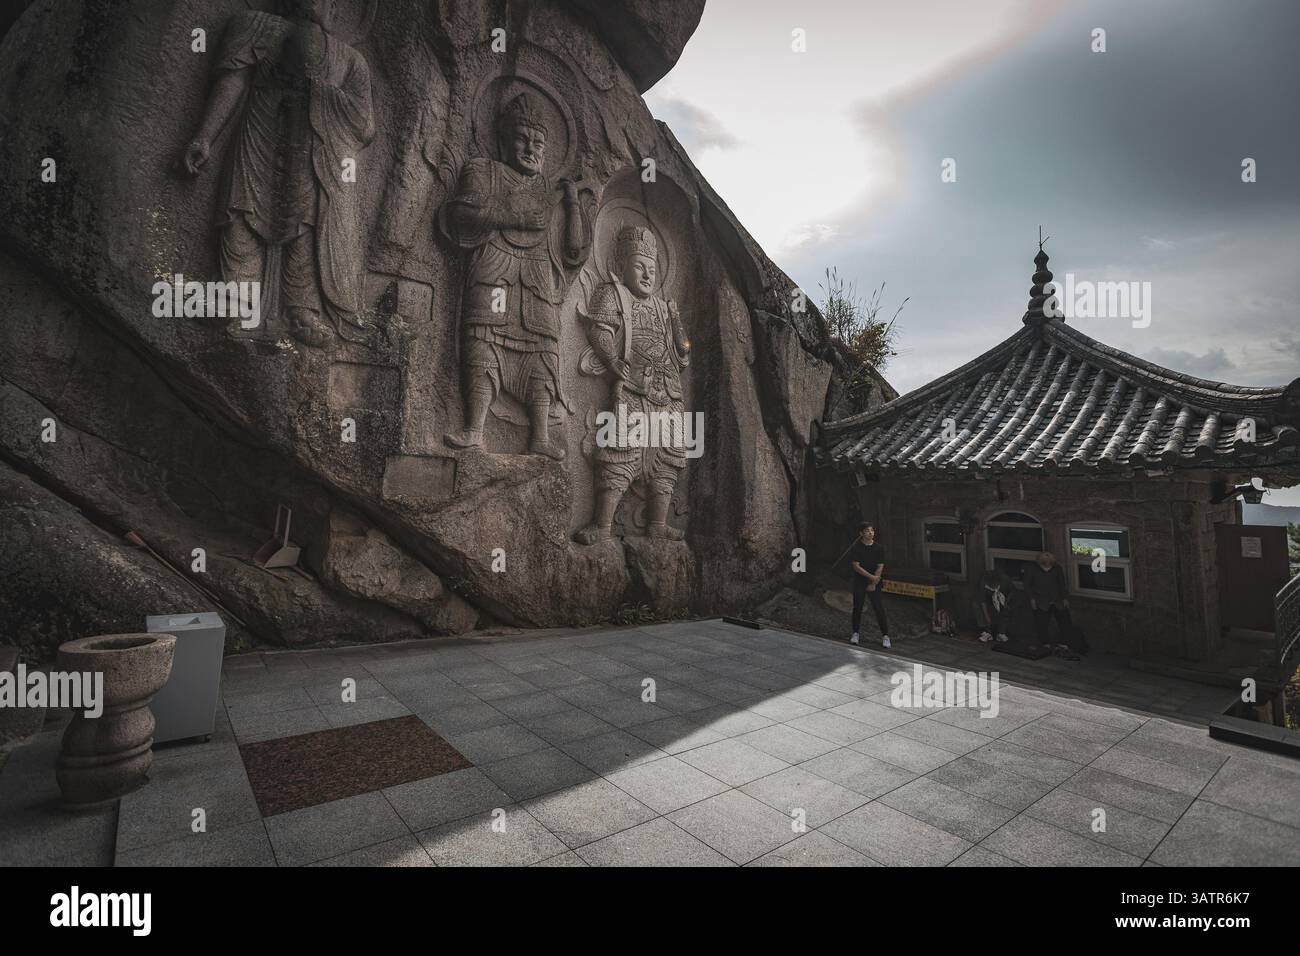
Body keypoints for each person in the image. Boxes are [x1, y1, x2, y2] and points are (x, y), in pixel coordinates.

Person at [848, 522, 890, 648]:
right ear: (861, 533)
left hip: (875, 582)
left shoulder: (879, 548)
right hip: (860, 580)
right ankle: (855, 633)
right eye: (867, 531)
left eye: (872, 530)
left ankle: (885, 636)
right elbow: (856, 566)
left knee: (879, 608)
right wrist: (871, 577)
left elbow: (880, 565)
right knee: (858, 607)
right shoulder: (856, 547)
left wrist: (874, 582)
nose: (870, 533)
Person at [1027, 551, 1073, 650]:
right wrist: (1032, 599)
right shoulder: (1033, 569)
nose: (1048, 566)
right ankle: (1044, 643)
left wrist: (1064, 598)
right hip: (1041, 599)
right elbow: (1028, 585)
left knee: (1065, 621)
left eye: (1049, 563)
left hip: (1057, 599)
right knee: (1041, 623)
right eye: (1045, 563)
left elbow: (1062, 584)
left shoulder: (1057, 568)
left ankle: (1064, 642)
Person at [978, 569, 1010, 643]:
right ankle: (987, 632)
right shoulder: (983, 583)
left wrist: (1006, 602)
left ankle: (1001, 633)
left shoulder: (1005, 580)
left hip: (1003, 596)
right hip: (988, 598)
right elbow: (982, 601)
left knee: (1005, 610)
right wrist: (987, 617)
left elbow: (1011, 592)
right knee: (978, 607)